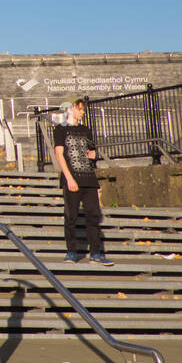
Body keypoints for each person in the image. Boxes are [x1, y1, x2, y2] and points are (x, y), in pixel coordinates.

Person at [53, 98, 113, 266]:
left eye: (83, 110)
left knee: (93, 216)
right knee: (70, 216)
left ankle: (96, 253)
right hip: (72, 178)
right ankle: (71, 251)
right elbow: (59, 154)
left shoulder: (86, 130)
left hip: (88, 178)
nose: (82, 112)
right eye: (80, 109)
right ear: (72, 109)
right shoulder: (60, 130)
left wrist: (91, 155)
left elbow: (93, 153)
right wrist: (69, 178)